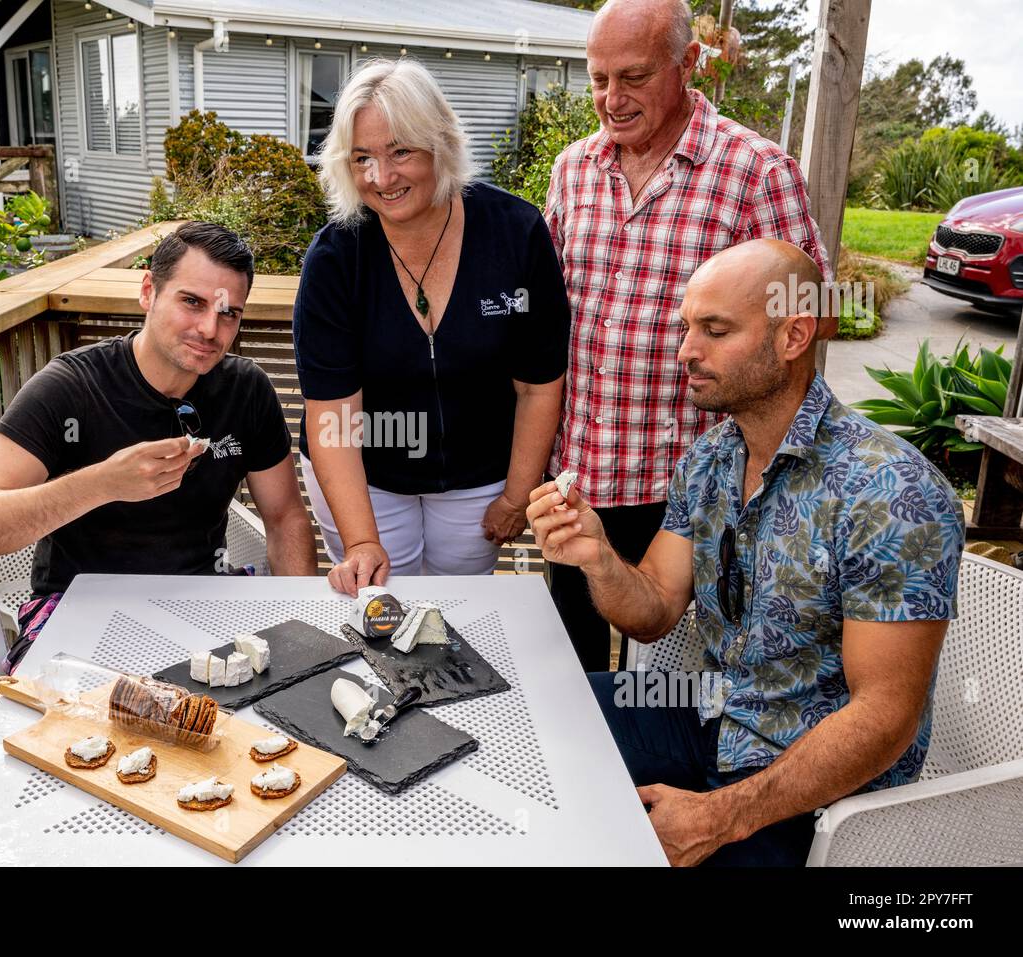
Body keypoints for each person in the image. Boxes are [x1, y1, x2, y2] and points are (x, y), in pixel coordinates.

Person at [528, 239, 965, 866]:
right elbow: (651, 610)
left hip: (813, 790)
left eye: (715, 330)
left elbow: (885, 717)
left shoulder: (891, 491)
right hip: (710, 711)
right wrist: (597, 555)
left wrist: (719, 816)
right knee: (536, 711)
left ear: (792, 337)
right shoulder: (710, 459)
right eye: (685, 328)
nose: (686, 352)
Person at [544, 0, 831, 671]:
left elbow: (813, 314)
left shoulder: (757, 171)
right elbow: (551, 315)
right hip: (582, 469)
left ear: (688, 65)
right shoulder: (573, 169)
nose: (612, 100)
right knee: (573, 673)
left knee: (678, 677)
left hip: (695, 477)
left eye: (634, 78)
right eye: (598, 79)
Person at [0, 221, 317, 671]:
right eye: (191, 302)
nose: (209, 329)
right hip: (79, 607)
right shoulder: (71, 387)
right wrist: (103, 483)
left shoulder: (246, 389)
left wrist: (300, 621)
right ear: (148, 292)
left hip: (205, 599)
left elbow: (284, 515)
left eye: (228, 313)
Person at [295, 57, 571, 596]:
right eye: (362, 159)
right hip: (365, 480)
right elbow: (332, 416)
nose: (381, 177)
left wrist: (517, 496)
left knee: (454, 614)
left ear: (440, 143)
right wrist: (360, 543)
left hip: (478, 478)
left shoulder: (515, 233)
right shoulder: (334, 258)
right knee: (382, 610)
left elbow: (538, 383)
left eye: (400, 151)